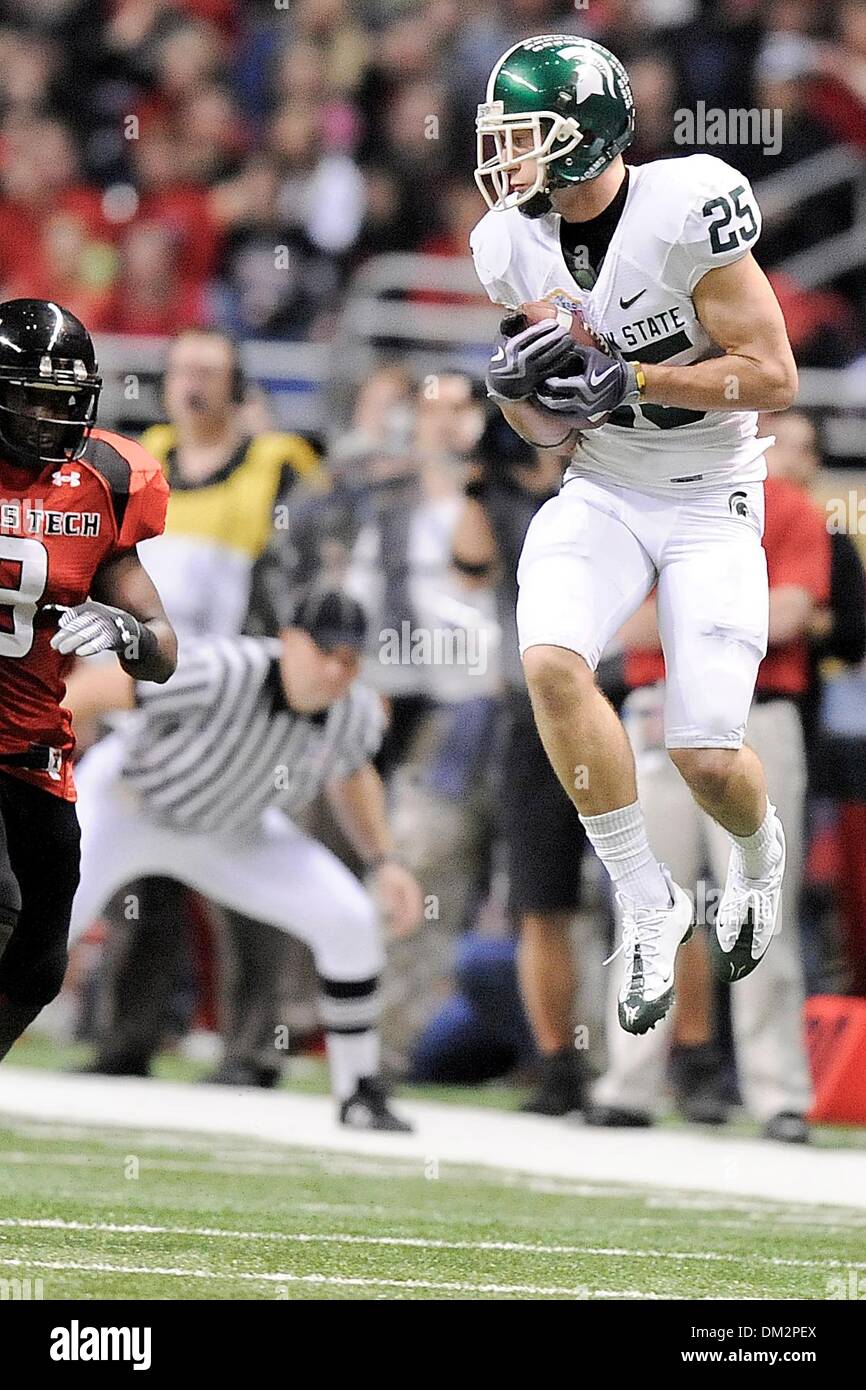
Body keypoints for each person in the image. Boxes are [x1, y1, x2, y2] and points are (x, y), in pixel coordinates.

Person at [471, 35, 798, 1035]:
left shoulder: (680, 207)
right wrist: (519, 396)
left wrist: (641, 378)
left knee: (702, 756)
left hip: (709, 495)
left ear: (587, 135)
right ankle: (644, 895)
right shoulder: (509, 243)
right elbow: (550, 427)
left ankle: (755, 852)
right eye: (501, 138)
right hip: (604, 485)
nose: (507, 161)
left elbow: (773, 375)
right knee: (552, 664)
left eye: (526, 137)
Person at [64, 588, 423, 1131]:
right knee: (43, 922)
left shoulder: (355, 711)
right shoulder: (223, 668)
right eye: (323, 652)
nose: (334, 670)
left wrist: (385, 860)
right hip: (129, 807)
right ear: (288, 642)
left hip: (232, 830)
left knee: (349, 919)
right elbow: (97, 689)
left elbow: (351, 774)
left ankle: (359, 1091)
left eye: (349, 659)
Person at [83, 327, 322, 1086]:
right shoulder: (135, 459)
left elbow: (297, 574)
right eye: (184, 368)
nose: (193, 384)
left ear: (236, 385)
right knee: (139, 871)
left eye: (210, 372)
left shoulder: (277, 464)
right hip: (145, 691)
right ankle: (128, 1035)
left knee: (247, 872)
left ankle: (252, 1046)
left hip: (238, 692)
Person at [592, 467, 832, 1142]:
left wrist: (676, 619)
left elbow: (790, 611)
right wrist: (722, 615)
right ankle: (630, 1084)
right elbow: (611, 626)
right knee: (644, 902)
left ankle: (778, 1093)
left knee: (760, 904)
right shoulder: (650, 496)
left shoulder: (783, 504)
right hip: (657, 713)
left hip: (749, 713)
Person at [0, 297, 176, 1063]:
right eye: (32, 398)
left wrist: (126, 630)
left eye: (64, 401)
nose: (50, 417)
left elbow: (165, 649)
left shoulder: (105, 478)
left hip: (37, 752)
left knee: (38, 964)